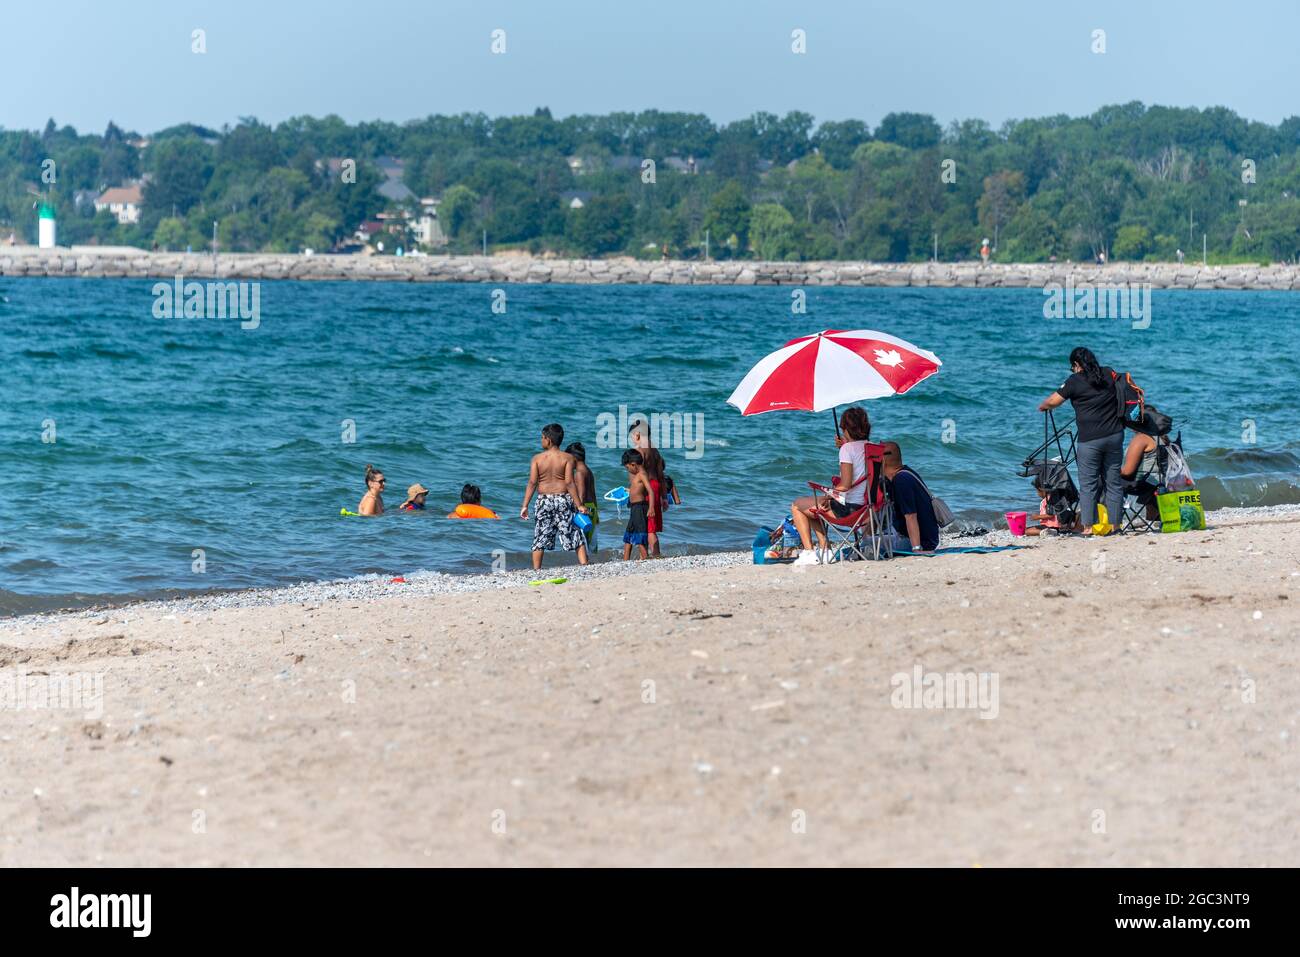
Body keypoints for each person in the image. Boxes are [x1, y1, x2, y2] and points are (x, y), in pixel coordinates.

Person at [1037, 347, 1125, 534]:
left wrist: (1043, 406)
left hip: (1090, 440)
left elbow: (1053, 401)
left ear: (1076, 365)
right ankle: (1116, 527)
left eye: (1072, 367)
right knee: (1113, 482)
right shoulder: (1109, 373)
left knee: (1088, 483)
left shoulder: (1074, 381)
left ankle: (1088, 528)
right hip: (1115, 435)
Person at [790, 406, 873, 566]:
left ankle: (809, 553)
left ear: (847, 429)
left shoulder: (847, 450)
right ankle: (824, 547)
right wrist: (845, 445)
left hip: (848, 510)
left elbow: (846, 485)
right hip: (866, 509)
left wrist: (829, 495)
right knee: (815, 505)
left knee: (797, 505)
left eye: (843, 429)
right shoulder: (871, 447)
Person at [520, 423, 588, 569]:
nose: (541, 440)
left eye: (542, 438)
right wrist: (579, 505)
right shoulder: (568, 458)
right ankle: (584, 564)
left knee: (540, 534)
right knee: (574, 532)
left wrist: (525, 505)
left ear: (548, 440)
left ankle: (537, 570)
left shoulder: (537, 459)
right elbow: (570, 483)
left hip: (544, 500)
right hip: (563, 499)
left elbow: (532, 482)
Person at [881, 442, 939, 553]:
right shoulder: (906, 472)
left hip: (921, 543)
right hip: (925, 538)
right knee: (873, 543)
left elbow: (911, 516)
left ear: (883, 461)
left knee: (868, 545)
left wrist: (916, 549)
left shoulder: (901, 480)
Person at [620, 449, 656, 560]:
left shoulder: (642, 474)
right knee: (629, 534)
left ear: (633, 464)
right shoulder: (637, 475)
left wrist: (651, 507)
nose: (628, 470)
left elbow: (650, 491)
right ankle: (625, 560)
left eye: (627, 468)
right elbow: (637, 489)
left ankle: (645, 558)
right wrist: (629, 491)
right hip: (634, 507)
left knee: (640, 534)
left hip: (640, 507)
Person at [565, 442, 599, 552]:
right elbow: (593, 493)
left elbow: (582, 494)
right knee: (590, 537)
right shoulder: (588, 471)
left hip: (584, 509)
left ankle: (586, 560)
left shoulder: (579, 473)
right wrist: (596, 512)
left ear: (573, 458)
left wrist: (578, 508)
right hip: (592, 508)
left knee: (582, 538)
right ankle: (591, 559)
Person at [642, 447, 669, 557]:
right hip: (656, 486)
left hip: (646, 488)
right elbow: (661, 477)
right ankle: (651, 554)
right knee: (650, 526)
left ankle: (656, 554)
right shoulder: (655, 451)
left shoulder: (640, 451)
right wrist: (665, 497)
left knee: (649, 528)